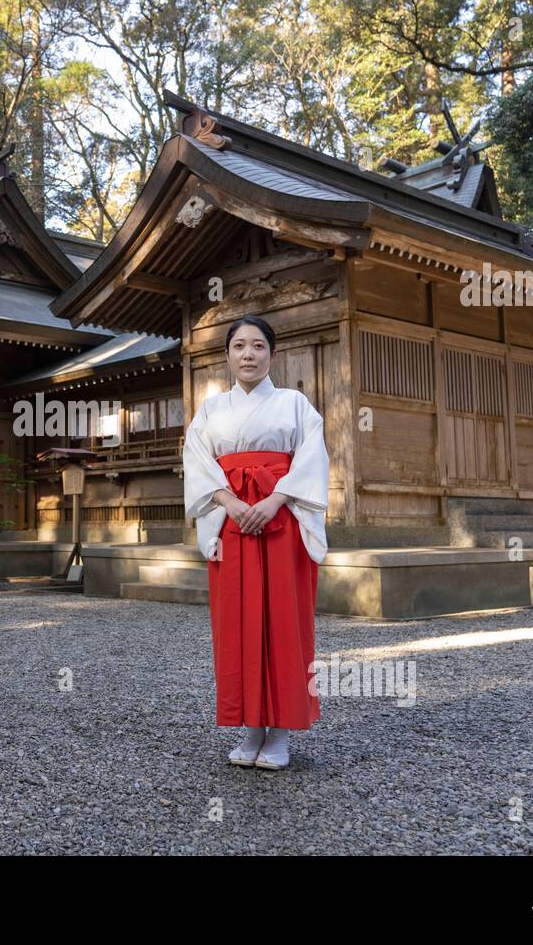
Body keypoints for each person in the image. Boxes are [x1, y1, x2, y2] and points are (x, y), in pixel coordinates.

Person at [182, 315, 330, 769]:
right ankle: (250, 728)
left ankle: (281, 732)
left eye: (259, 346)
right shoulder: (210, 410)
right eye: (240, 346)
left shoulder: (294, 403)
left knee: (285, 621)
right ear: (227, 356)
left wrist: (276, 500)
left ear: (273, 354)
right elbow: (197, 459)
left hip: (281, 520)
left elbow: (312, 457)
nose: (249, 354)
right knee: (238, 621)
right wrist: (229, 501)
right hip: (232, 521)